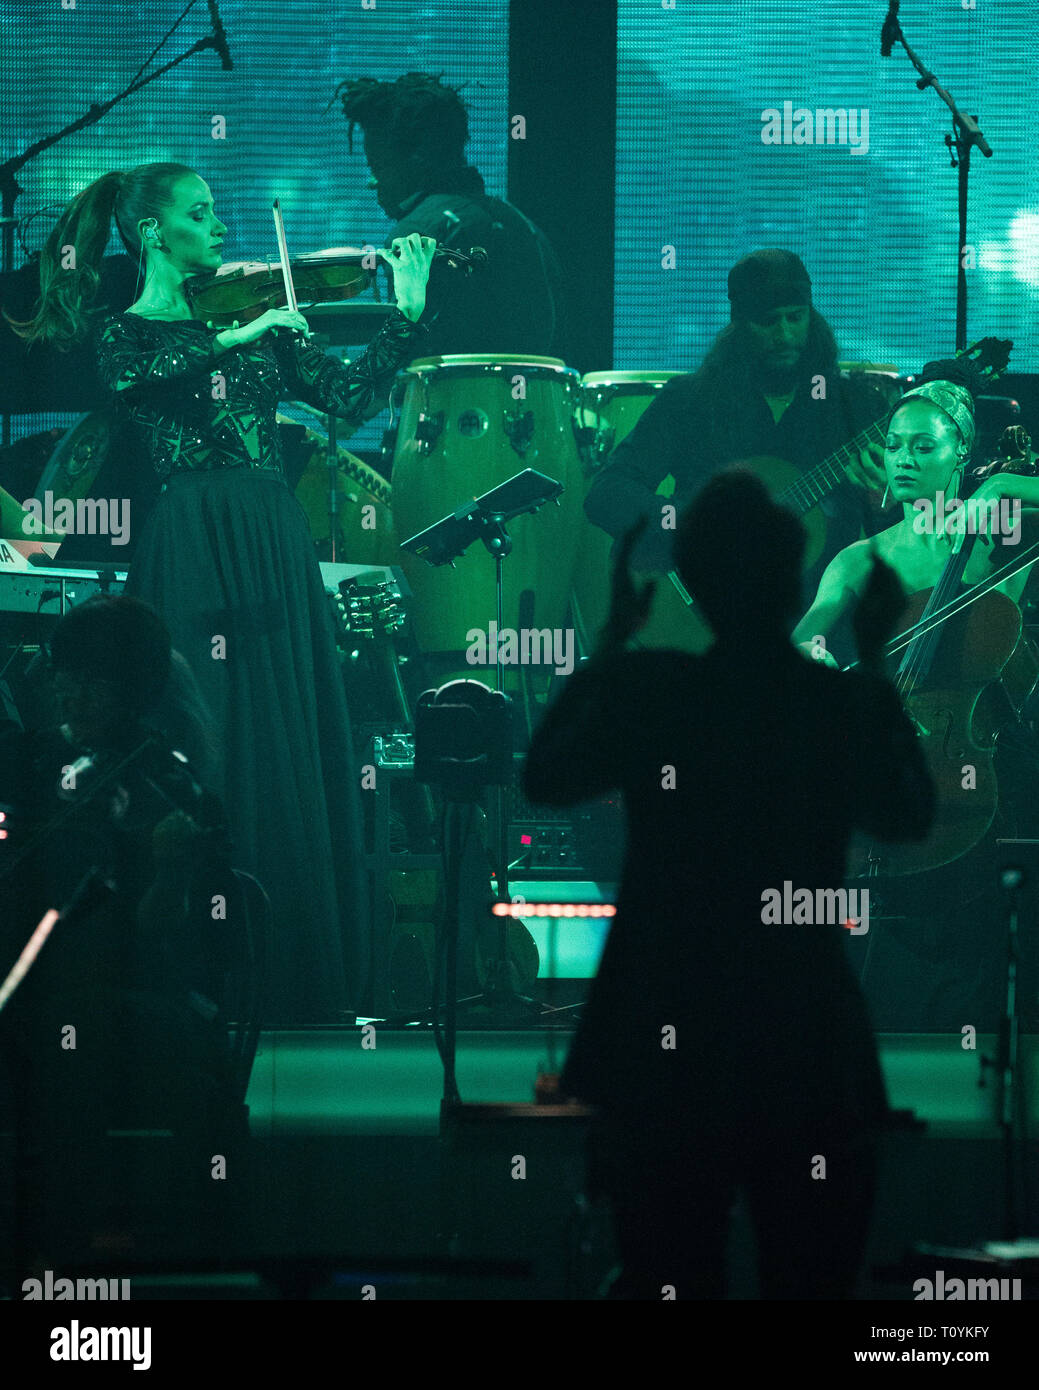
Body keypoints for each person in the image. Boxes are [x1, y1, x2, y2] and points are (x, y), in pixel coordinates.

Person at [12, 161, 436, 1023]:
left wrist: (406, 312)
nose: (221, 229)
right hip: (194, 536)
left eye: (218, 213)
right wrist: (240, 338)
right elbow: (135, 380)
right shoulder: (127, 331)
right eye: (201, 216)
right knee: (203, 719)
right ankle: (193, 964)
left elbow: (350, 400)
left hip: (267, 533)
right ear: (154, 233)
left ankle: (291, 970)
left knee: (283, 722)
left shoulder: (264, 318)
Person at [523, 472, 935, 1299]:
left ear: (696, 584)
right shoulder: (832, 703)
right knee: (812, 1275)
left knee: (665, 1269)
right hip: (801, 1026)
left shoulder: (654, 692)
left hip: (663, 1025)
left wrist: (608, 647)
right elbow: (909, 815)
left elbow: (545, 777)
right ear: (792, 583)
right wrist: (880, 661)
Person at [793, 360, 1039, 1029]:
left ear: (960, 451)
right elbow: (803, 640)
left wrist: (1010, 484)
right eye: (895, 445)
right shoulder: (858, 558)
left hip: (981, 747)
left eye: (923, 446)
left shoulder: (996, 531)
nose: (903, 459)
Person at [0, 595, 234, 1272]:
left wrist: (169, 871)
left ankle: (58, 1248)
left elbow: (165, 934)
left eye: (79, 676)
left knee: (59, 1041)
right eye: (60, 672)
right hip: (43, 981)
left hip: (124, 993)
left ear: (118, 686)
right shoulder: (38, 760)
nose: (59, 686)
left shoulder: (171, 783)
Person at [584, 249, 892, 598]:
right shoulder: (689, 400)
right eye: (768, 321)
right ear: (740, 325)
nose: (785, 335)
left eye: (796, 317)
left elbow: (897, 539)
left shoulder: (856, 406)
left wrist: (887, 499)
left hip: (820, 621)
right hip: (706, 618)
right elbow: (605, 495)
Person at [333, 72, 567, 365]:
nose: (372, 181)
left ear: (417, 158)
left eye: (377, 165)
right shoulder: (524, 226)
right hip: (535, 405)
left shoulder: (414, 236)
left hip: (450, 407)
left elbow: (405, 361)